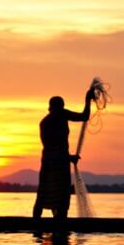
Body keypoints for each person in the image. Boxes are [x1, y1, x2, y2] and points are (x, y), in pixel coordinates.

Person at [33, 87, 93, 220]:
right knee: (55, 195)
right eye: (60, 108)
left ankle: (42, 224)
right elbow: (84, 117)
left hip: (51, 161)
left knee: (47, 195)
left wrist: (68, 157)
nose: (61, 110)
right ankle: (42, 224)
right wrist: (87, 99)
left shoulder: (45, 121)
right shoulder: (59, 116)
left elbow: (51, 147)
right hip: (56, 163)